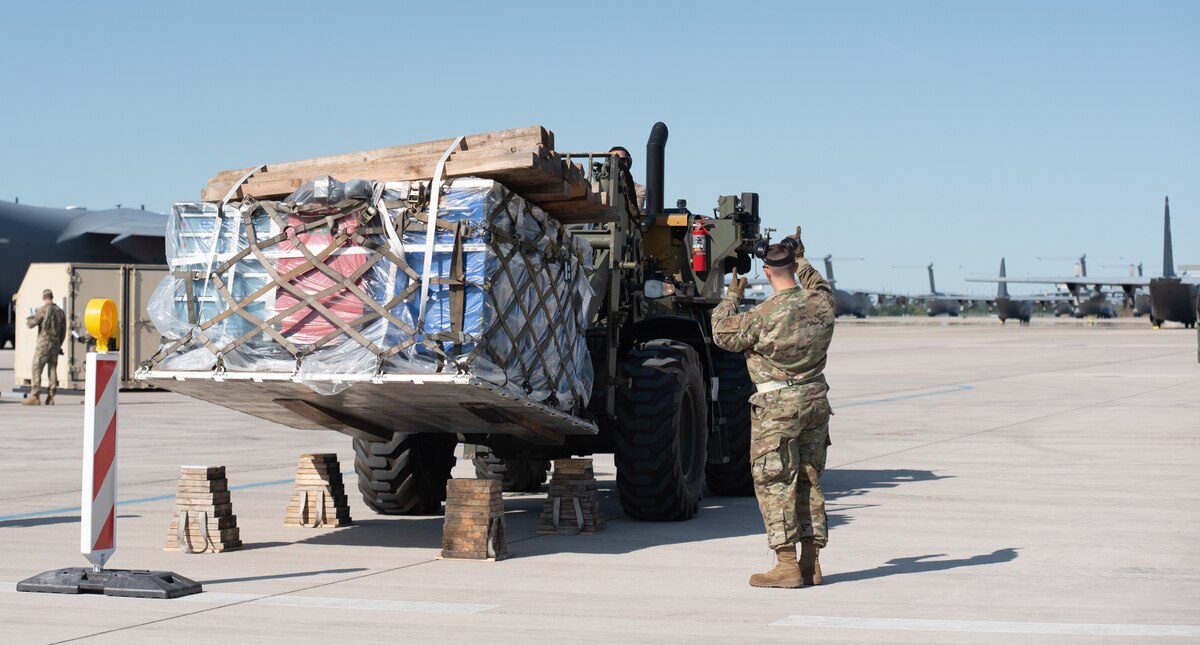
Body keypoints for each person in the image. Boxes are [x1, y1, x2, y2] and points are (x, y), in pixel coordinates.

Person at [711, 230, 836, 588]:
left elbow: (721, 333)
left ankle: (786, 565)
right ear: (793, 267)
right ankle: (811, 563)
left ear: (766, 272)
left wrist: (731, 296)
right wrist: (802, 255)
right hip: (815, 401)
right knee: (810, 480)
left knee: (775, 481)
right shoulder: (822, 304)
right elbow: (819, 283)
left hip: (778, 407)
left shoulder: (761, 316)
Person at [24, 289, 66, 406]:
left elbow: (31, 324)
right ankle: (51, 396)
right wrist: (59, 344)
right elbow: (63, 331)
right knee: (52, 369)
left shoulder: (42, 310)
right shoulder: (60, 312)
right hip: (55, 344)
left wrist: (29, 318)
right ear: (52, 297)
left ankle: (35, 396)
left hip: (43, 345)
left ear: (44, 298)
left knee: (36, 368)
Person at [608, 146, 646, 213]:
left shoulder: (639, 190)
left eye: (622, 160)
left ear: (628, 162)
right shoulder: (598, 186)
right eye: (614, 160)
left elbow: (634, 213)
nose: (618, 163)